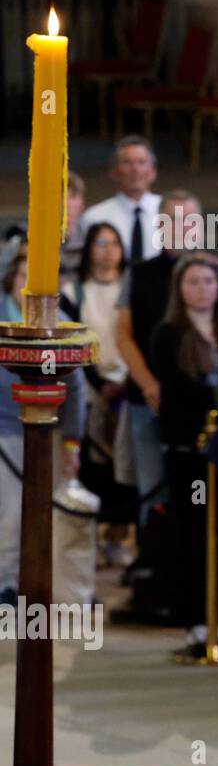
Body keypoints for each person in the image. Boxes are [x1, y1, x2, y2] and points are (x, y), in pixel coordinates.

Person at [116, 190, 218, 530]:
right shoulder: (140, 273)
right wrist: (150, 385)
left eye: (189, 220)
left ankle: (199, 560)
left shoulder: (216, 272)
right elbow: (123, 334)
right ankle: (155, 567)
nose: (181, 227)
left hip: (199, 406)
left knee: (199, 492)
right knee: (153, 489)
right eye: (173, 220)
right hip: (148, 397)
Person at [150, 257, 218, 650]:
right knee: (193, 533)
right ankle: (193, 616)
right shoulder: (168, 333)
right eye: (193, 282)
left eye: (209, 281)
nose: (202, 289)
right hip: (188, 456)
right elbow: (175, 390)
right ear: (180, 289)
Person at [0, 258, 86, 606]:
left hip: (45, 430)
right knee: (8, 513)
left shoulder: (62, 327)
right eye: (24, 277)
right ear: (11, 282)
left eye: (38, 280)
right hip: (4, 430)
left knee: (31, 514)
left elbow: (77, 389)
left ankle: (28, 587)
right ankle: (7, 584)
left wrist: (72, 442)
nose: (29, 287)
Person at [65, 223, 135, 563]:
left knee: (123, 468)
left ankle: (118, 536)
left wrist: (126, 380)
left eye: (114, 243)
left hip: (128, 382)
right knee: (93, 468)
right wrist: (98, 384)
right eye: (101, 243)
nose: (108, 250)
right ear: (89, 248)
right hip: (91, 387)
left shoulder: (131, 288)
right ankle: (88, 535)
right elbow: (75, 339)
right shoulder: (75, 290)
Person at [80, 135, 162, 266]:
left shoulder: (171, 213)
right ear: (113, 172)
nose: (135, 169)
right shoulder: (94, 218)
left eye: (141, 162)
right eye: (127, 162)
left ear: (153, 172)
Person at [60, 171, 88, 277]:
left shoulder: (91, 240)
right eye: (59, 196)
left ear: (82, 203)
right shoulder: (26, 239)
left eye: (72, 197)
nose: (65, 204)